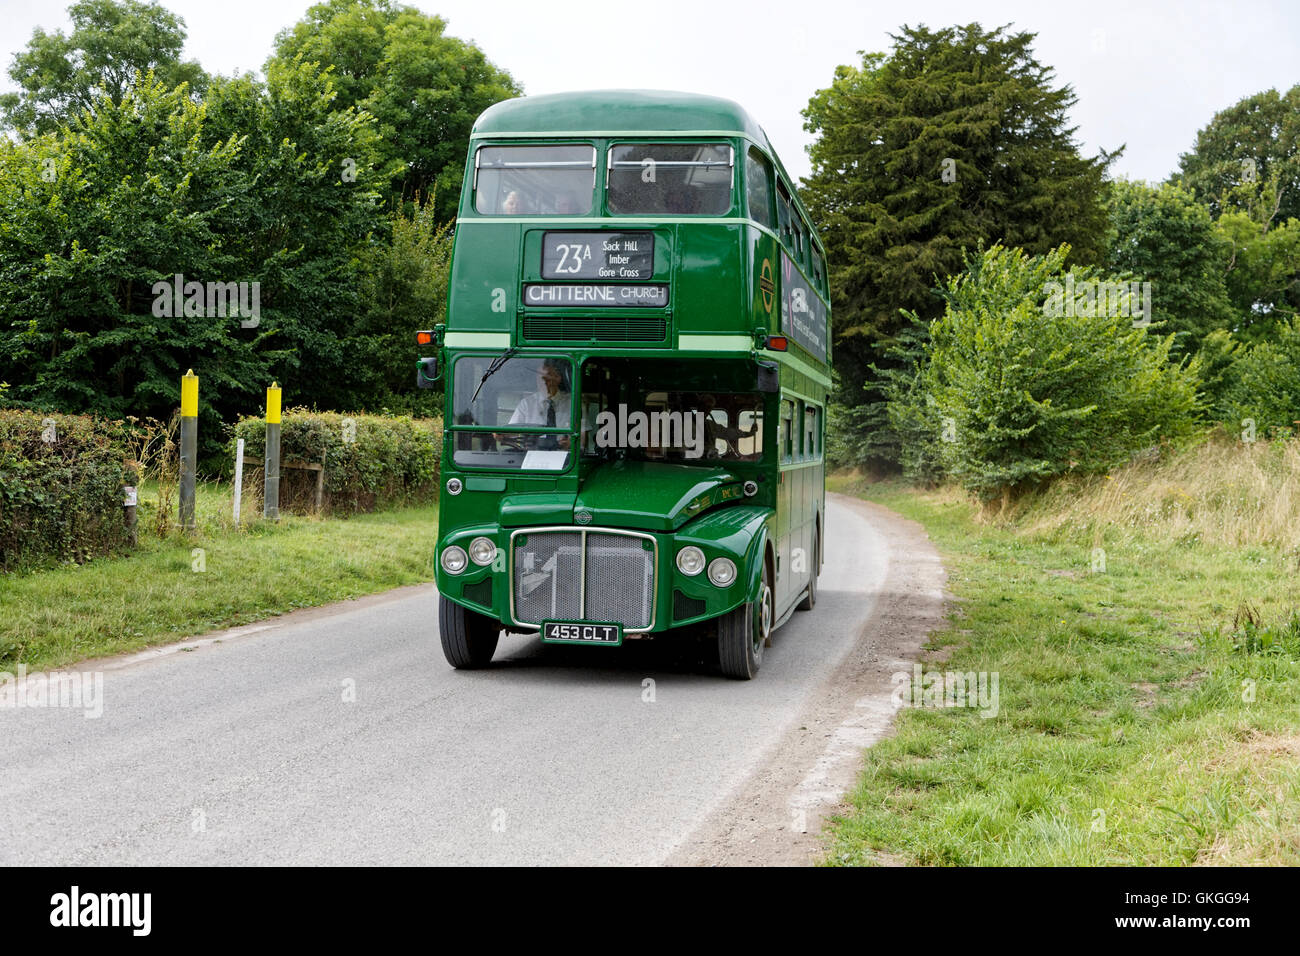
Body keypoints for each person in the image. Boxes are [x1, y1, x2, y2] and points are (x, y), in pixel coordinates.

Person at [507, 358, 571, 449]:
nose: (543, 381)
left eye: (547, 377)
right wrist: (501, 435)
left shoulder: (572, 404)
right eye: (540, 377)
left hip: (564, 457)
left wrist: (570, 443)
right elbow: (511, 431)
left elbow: (582, 438)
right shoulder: (526, 404)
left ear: (558, 378)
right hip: (532, 455)